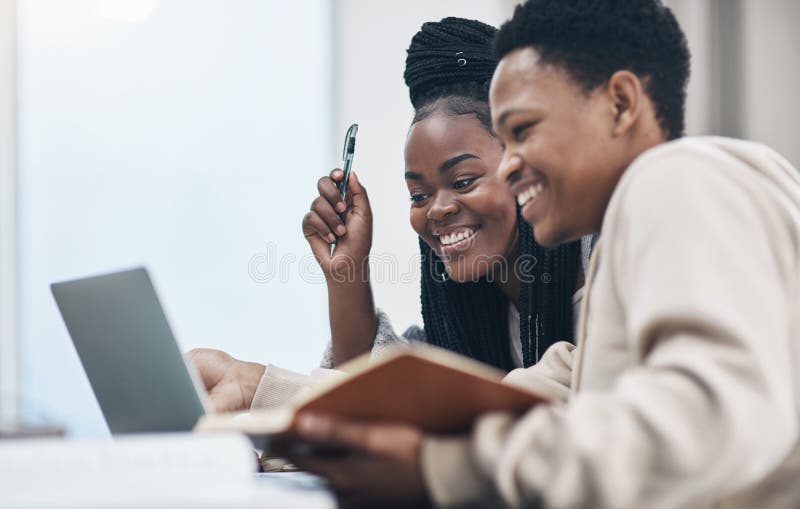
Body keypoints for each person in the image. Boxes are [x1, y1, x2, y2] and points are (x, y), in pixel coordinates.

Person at [280, 1, 800, 507]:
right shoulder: (603, 307)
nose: (508, 167)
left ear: (619, 104)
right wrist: (264, 394)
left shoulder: (675, 177)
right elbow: (514, 402)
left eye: (523, 131)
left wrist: (441, 468)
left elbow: (707, 424)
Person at [189, 17, 588, 414]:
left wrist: (255, 387)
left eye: (463, 181)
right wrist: (346, 275)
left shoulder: (609, 264)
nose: (438, 208)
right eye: (419, 194)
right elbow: (372, 404)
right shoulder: (463, 323)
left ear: (524, 160)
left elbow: (466, 411)